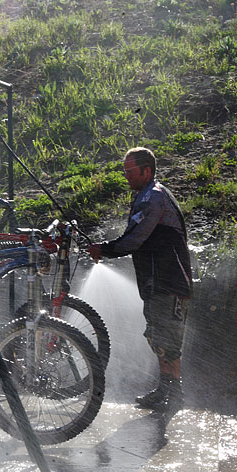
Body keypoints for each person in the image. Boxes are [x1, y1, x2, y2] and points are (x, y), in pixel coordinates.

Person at [88, 147, 192, 411]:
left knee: (169, 340)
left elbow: (134, 239)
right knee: (158, 338)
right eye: (124, 171)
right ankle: (165, 390)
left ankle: (175, 394)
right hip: (155, 282)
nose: (126, 176)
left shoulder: (153, 197)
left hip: (169, 283)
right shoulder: (146, 195)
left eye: (130, 171)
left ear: (147, 170)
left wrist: (104, 249)